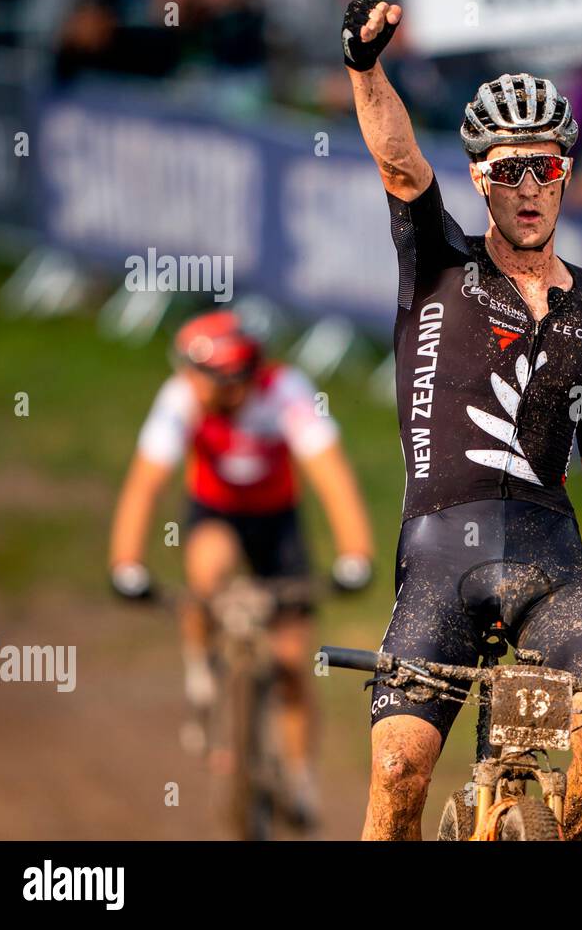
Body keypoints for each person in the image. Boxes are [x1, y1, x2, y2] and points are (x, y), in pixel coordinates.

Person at [342, 0, 582, 841]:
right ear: (483, 178)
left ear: (566, 174)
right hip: (439, 561)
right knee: (398, 769)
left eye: (547, 170)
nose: (529, 189)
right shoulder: (439, 264)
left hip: (550, 567)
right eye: (510, 171)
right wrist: (365, 67)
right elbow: (399, 160)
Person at [108, 309, 374, 827]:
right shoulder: (180, 398)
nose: (186, 381)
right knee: (207, 567)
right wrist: (126, 563)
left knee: (293, 661)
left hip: (277, 526)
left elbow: (331, 475)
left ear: (231, 379)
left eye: (196, 374)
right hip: (217, 514)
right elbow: (144, 485)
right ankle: (201, 666)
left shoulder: (287, 393)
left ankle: (299, 776)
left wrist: (355, 554)